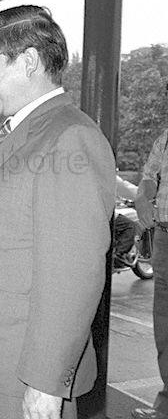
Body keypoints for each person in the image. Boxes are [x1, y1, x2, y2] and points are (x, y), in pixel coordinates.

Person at [0, 5, 116, 419]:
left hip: (21, 371)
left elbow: (72, 276)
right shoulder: (18, 131)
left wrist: (45, 382)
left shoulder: (70, 137)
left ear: (29, 60)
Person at [132, 129, 168, 419]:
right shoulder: (165, 138)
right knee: (165, 327)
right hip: (164, 236)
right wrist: (142, 198)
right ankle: (166, 404)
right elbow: (149, 176)